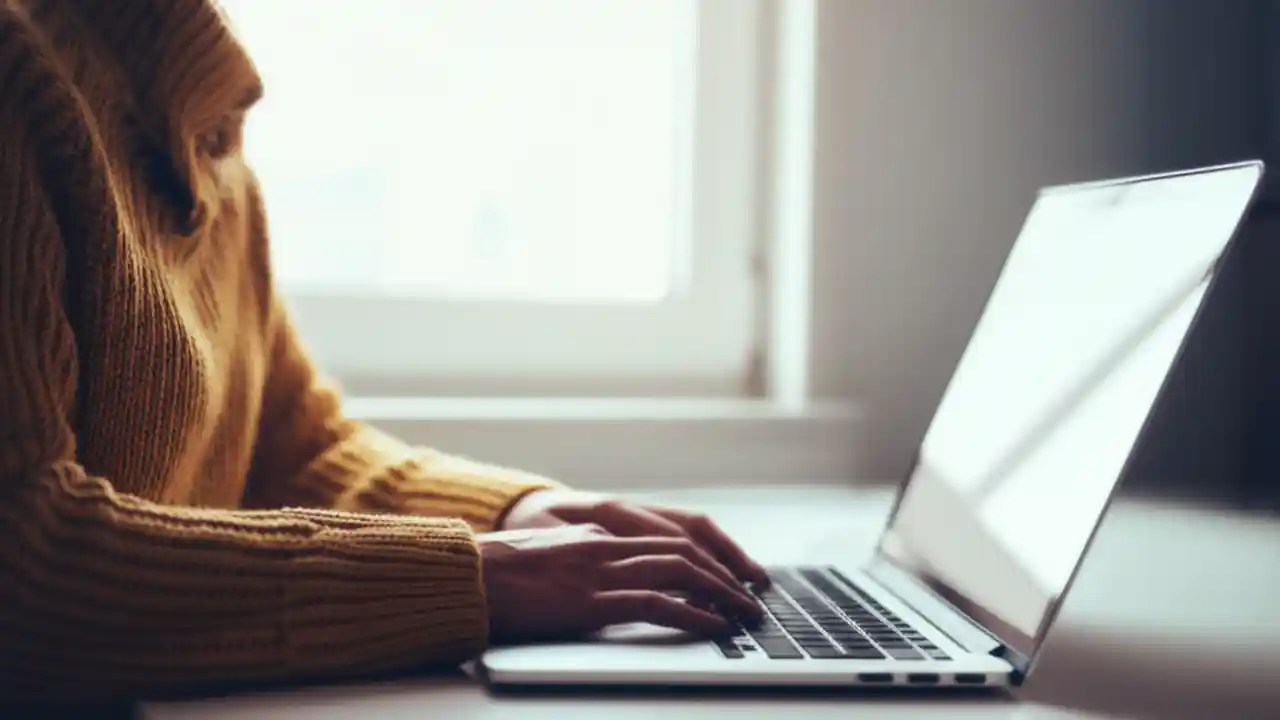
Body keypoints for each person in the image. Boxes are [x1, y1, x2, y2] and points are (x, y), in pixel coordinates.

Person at [0, 0, 765, 702]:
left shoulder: (197, 114)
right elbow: (23, 554)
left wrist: (519, 513)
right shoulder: (18, 78)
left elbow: (296, 452)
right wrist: (476, 579)